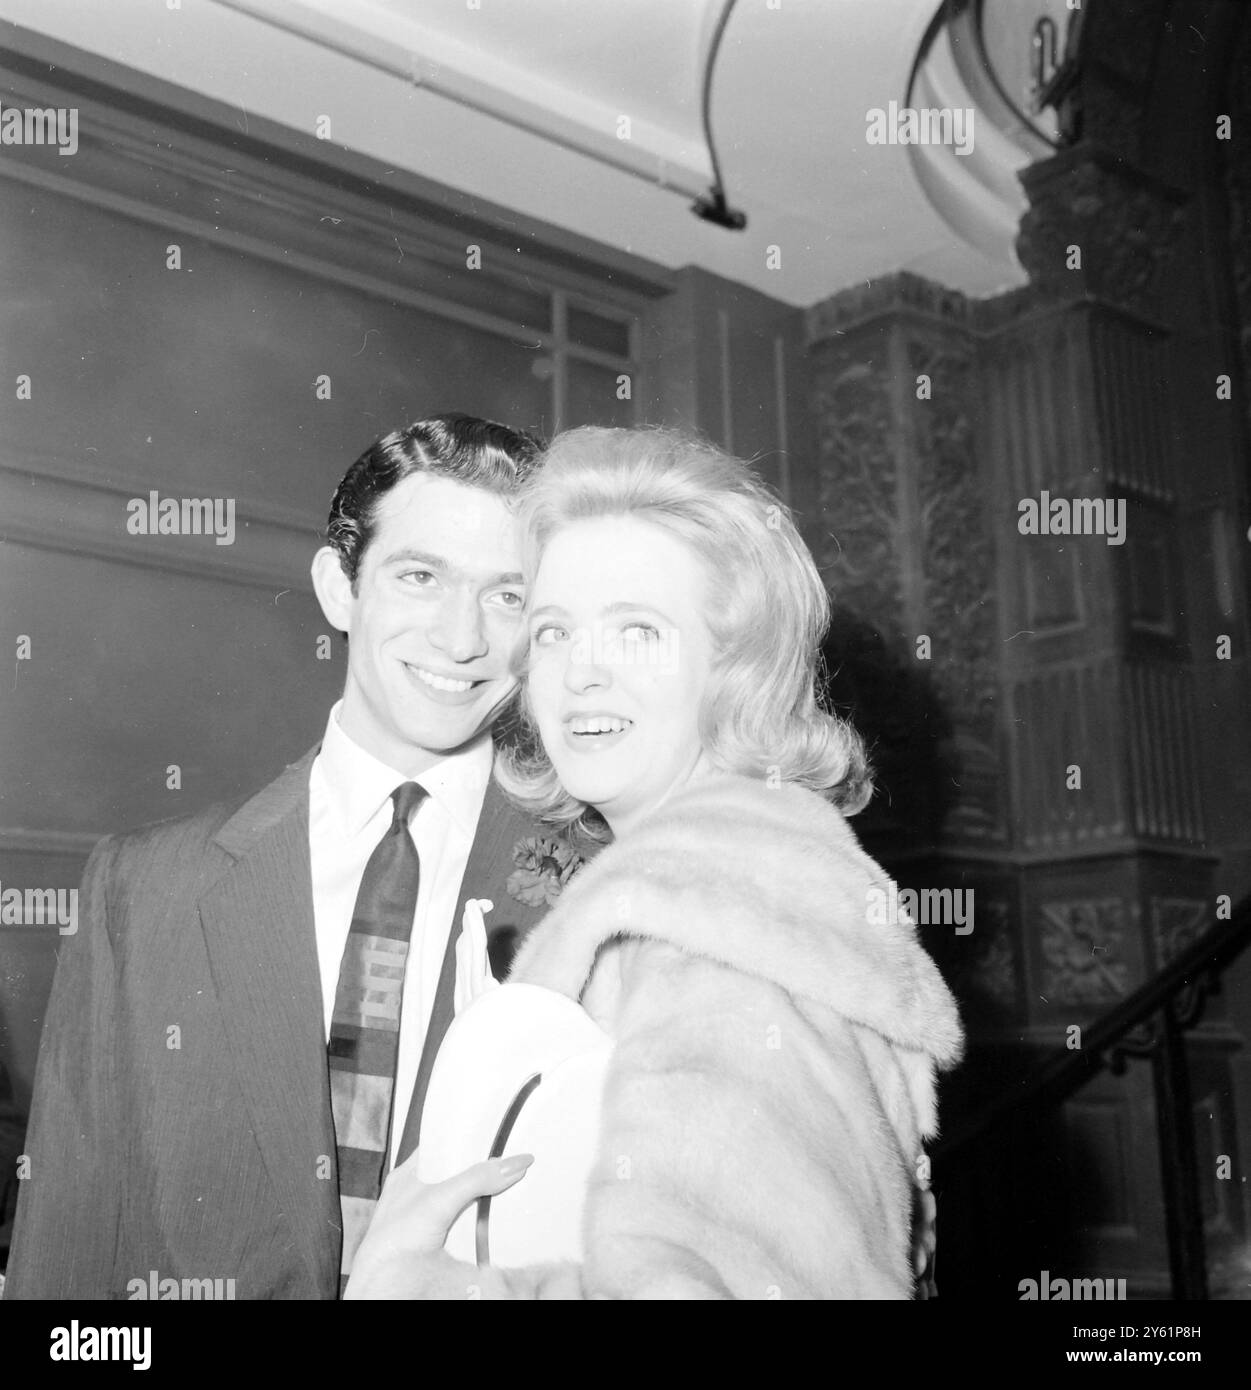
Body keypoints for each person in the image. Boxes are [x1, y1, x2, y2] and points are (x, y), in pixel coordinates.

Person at [344, 426, 963, 1300]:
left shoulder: (711, 927)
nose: (581, 674)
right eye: (554, 632)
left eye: (637, 630)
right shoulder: (731, 883)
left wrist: (417, 1291)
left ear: (733, 668)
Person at [3, 414, 569, 1300]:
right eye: (420, 576)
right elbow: (66, 1273)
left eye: (508, 596)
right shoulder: (143, 888)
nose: (463, 638)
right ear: (340, 590)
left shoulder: (606, 885)